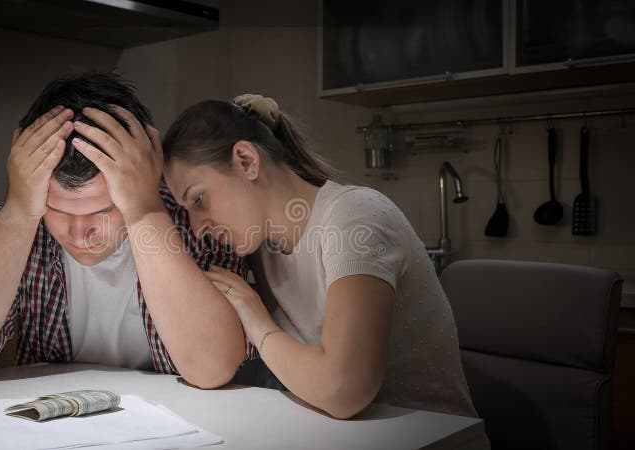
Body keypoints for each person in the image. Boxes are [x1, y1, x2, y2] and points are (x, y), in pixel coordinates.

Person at [0, 72, 255, 389]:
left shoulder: (201, 226)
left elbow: (213, 368)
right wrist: (18, 211)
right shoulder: (15, 224)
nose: (80, 234)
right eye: (56, 209)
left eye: (103, 210)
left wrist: (144, 210)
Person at [160, 94, 479, 419]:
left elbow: (343, 391)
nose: (197, 228)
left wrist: (254, 317)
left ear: (246, 161)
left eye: (199, 199)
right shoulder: (263, 249)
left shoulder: (356, 218)